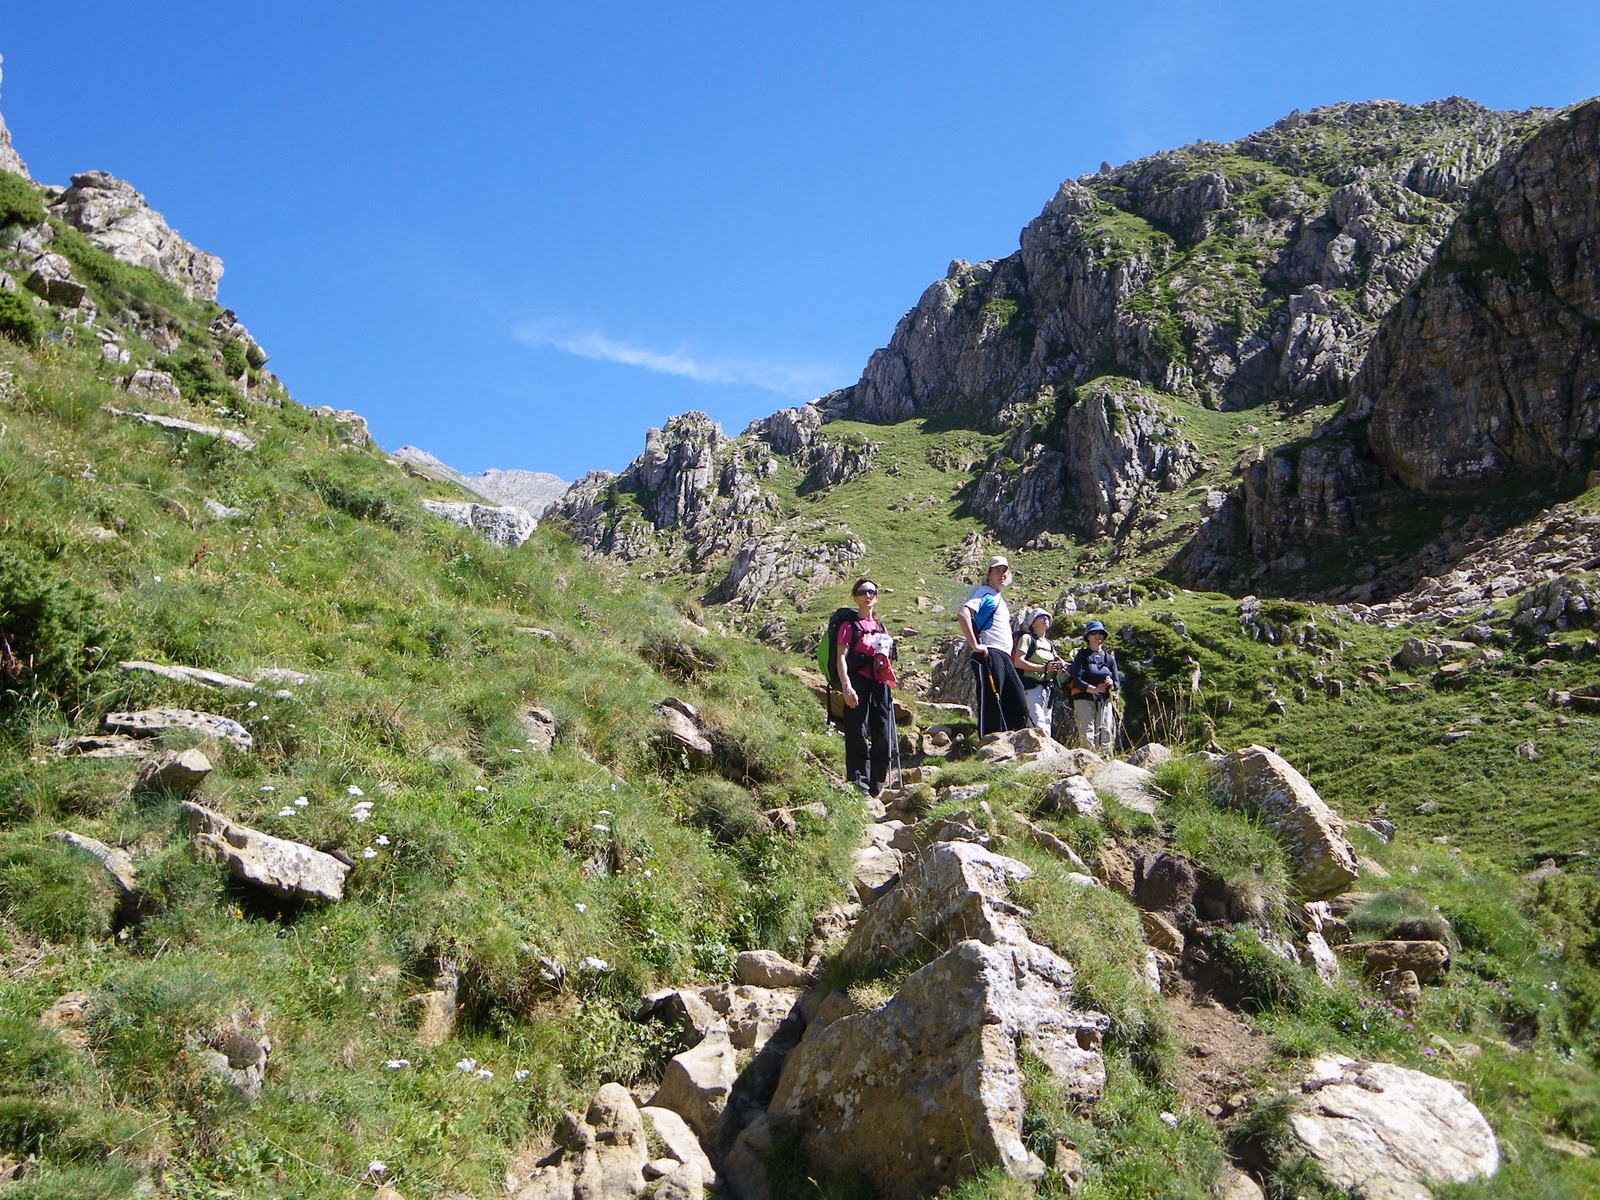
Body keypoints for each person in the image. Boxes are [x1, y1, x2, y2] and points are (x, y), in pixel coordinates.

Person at [836, 577, 896, 796]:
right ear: (855, 597)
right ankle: (858, 781)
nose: (867, 596)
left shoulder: (881, 627)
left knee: (882, 732)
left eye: (871, 592)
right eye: (862, 592)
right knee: (856, 731)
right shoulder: (848, 626)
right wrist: (846, 686)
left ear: (876, 597)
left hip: (880, 684)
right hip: (858, 682)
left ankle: (877, 782)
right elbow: (841, 658)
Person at [958, 556, 1029, 736]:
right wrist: (975, 645)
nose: (1002, 575)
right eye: (997, 571)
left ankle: (1010, 743)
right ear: (988, 575)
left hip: (1004, 656)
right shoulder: (984, 592)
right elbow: (963, 613)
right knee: (991, 702)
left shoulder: (999, 599)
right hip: (990, 652)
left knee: (1018, 701)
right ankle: (987, 745)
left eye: (1005, 571)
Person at [1067, 619, 1121, 755]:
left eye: (1101, 633)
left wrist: (1112, 684)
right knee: (1087, 731)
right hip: (1084, 698)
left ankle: (1105, 757)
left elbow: (1117, 682)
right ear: (1088, 637)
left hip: (1104, 699)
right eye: (1094, 633)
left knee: (1106, 728)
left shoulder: (1109, 658)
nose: (1098, 636)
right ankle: (1089, 760)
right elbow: (1077, 679)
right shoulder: (1082, 655)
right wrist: (1094, 689)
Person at [1013, 608, 1062, 737]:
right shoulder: (1027, 638)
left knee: (1046, 722)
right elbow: (1018, 662)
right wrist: (1043, 669)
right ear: (1032, 623)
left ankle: (1046, 754)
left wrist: (1060, 665)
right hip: (1031, 688)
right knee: (1038, 723)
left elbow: (1059, 662)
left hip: (1047, 689)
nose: (1046, 619)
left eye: (1047, 617)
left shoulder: (1049, 644)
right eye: (1041, 617)